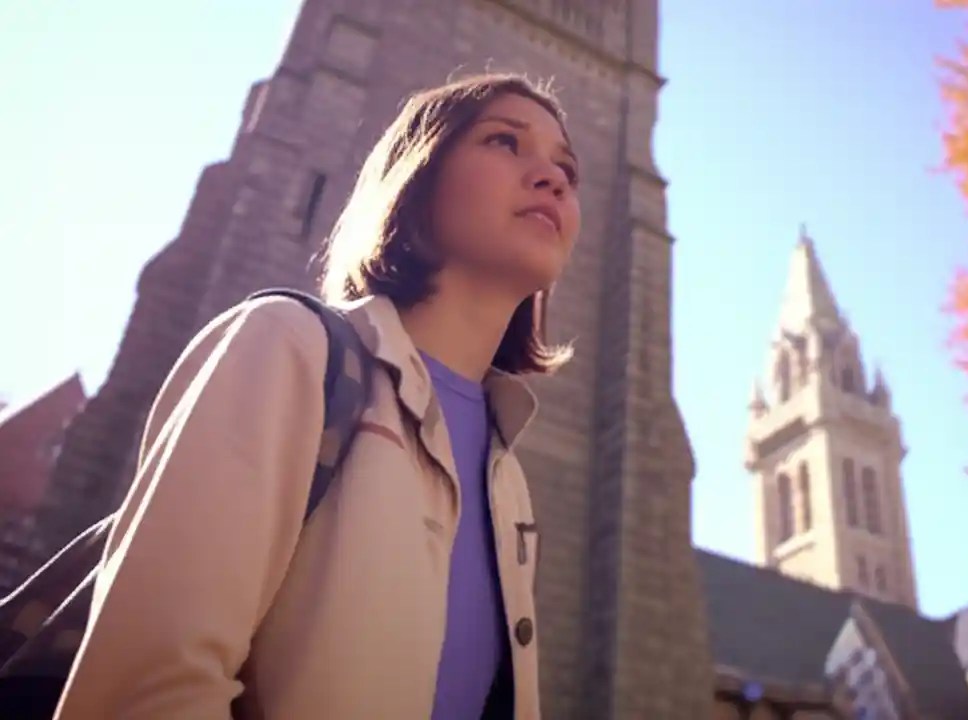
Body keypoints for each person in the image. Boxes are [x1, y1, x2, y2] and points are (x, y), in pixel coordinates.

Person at [54, 73, 580, 720]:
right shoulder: (288, 348)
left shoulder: (509, 479)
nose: (552, 178)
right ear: (413, 187)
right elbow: (151, 687)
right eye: (505, 142)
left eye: (566, 169)